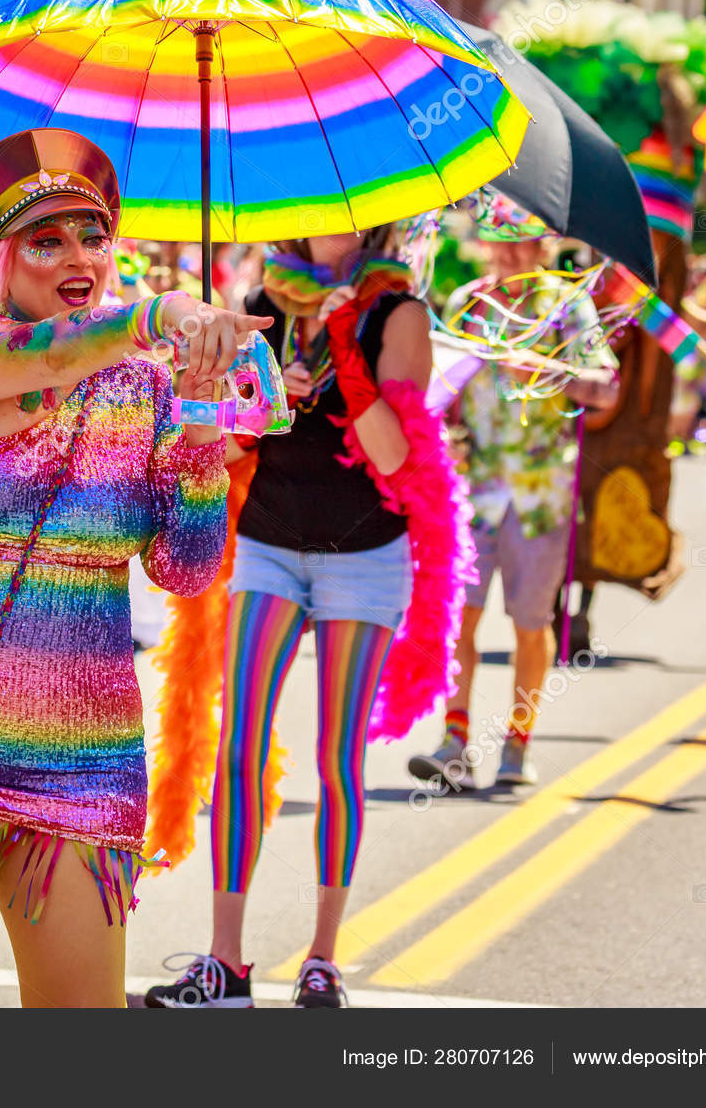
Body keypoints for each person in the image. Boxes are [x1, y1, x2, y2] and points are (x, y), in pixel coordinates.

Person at [0, 127, 260, 1008]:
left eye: (94, 236)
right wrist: (166, 312)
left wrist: (199, 424)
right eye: (48, 239)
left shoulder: (147, 384)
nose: (80, 256)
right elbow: (57, 354)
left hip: (81, 754)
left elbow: (185, 570)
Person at [146, 223, 466, 1010]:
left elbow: (394, 456)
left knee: (335, 756)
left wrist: (343, 353)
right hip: (268, 547)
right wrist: (219, 396)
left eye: (350, 206)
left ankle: (323, 958)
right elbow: (223, 449)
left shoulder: (399, 315)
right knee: (240, 745)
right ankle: (224, 963)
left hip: (364, 555)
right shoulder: (259, 307)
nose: (333, 218)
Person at [407, 212, 616, 790]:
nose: (508, 256)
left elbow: (607, 385)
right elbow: (436, 383)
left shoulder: (566, 304)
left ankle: (518, 743)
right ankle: (453, 740)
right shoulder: (470, 302)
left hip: (540, 495)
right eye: (498, 244)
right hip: (472, 491)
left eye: (521, 244)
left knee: (530, 623)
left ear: (543, 245)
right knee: (460, 618)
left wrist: (550, 370)